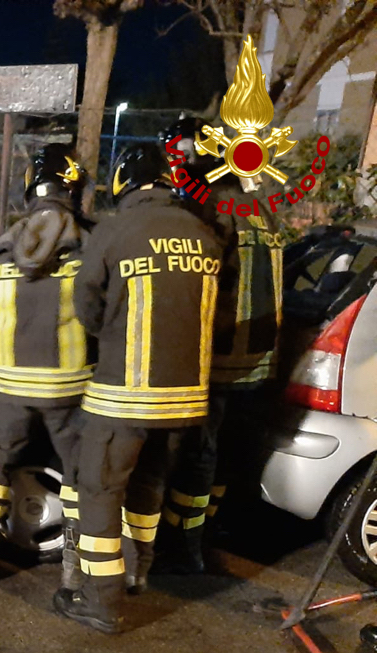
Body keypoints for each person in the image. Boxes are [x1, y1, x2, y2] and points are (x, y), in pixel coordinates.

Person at [54, 143, 223, 633]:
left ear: (125, 182)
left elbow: (86, 304)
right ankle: (138, 571)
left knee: (100, 491)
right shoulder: (203, 231)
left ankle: (101, 601)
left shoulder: (115, 230)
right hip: (187, 401)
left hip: (124, 397)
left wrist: (112, 330)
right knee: (150, 482)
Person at [0, 144, 94, 585]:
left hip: (9, 386)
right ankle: (74, 564)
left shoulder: (0, 249)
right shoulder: (92, 245)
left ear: (29, 189)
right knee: (77, 471)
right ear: (74, 188)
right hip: (69, 389)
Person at [156, 119, 283, 573]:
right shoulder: (260, 208)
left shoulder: (211, 210)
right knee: (225, 458)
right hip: (260, 360)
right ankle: (204, 533)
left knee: (197, 458)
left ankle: (184, 548)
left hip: (222, 357)